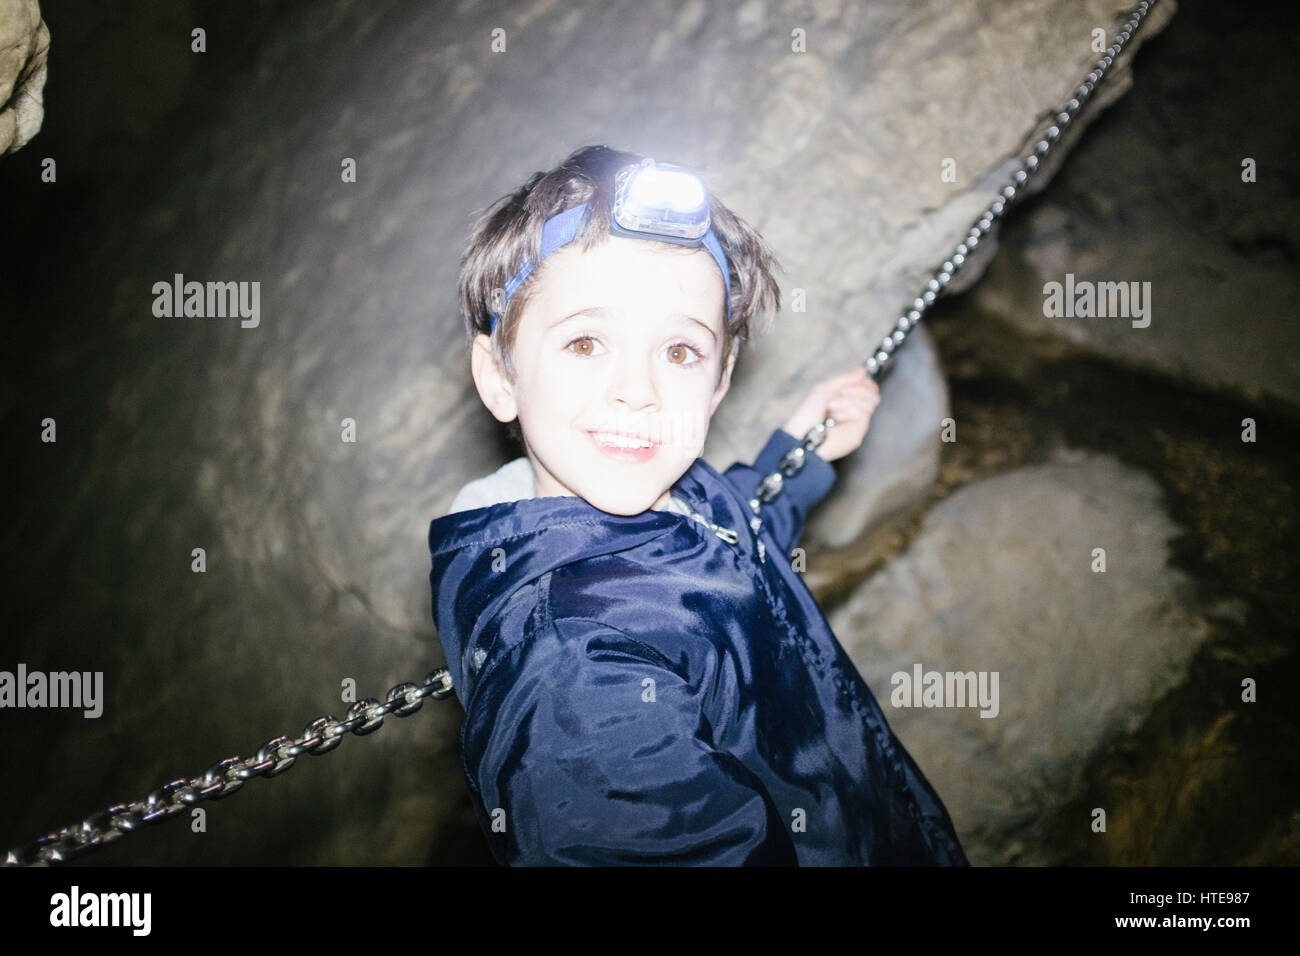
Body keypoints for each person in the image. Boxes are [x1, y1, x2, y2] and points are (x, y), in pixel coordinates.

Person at [427, 144, 968, 865]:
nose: (639, 390)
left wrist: (798, 459)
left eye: (679, 352)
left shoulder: (656, 495)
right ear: (499, 375)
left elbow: (714, 544)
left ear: (719, 383)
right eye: (587, 342)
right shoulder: (580, 688)